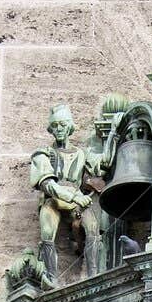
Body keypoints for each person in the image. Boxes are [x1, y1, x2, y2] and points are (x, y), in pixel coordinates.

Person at [30, 103, 103, 285]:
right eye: (54, 126)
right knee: (47, 231)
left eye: (62, 125)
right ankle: (51, 276)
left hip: (77, 201)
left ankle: (93, 275)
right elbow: (47, 183)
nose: (58, 129)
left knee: (92, 226)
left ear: (69, 126)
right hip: (54, 199)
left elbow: (102, 166)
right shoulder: (44, 153)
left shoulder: (81, 153)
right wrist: (74, 197)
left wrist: (113, 139)